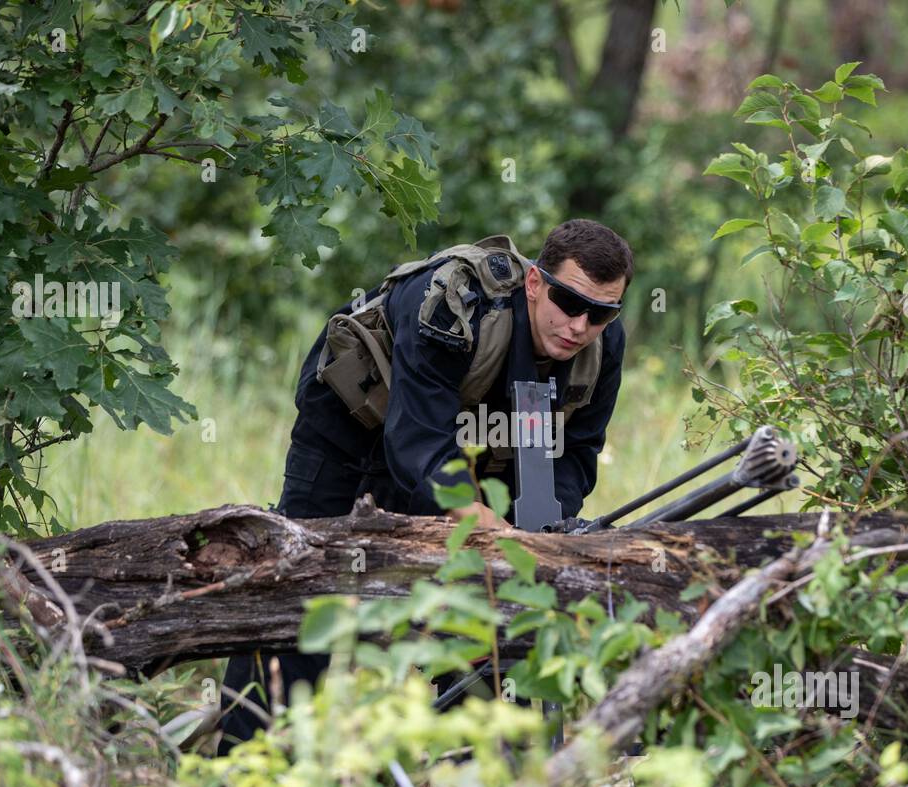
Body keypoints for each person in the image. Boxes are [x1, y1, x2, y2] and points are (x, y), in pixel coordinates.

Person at [216, 218, 633, 755]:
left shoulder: (603, 344)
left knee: (487, 600)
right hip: (353, 437)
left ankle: (461, 776)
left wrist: (537, 532)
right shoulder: (453, 304)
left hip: (477, 449)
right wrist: (472, 515)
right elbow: (416, 438)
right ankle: (242, 773)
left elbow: (578, 450)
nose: (580, 325)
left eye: (599, 314)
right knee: (301, 591)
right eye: (568, 302)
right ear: (535, 283)